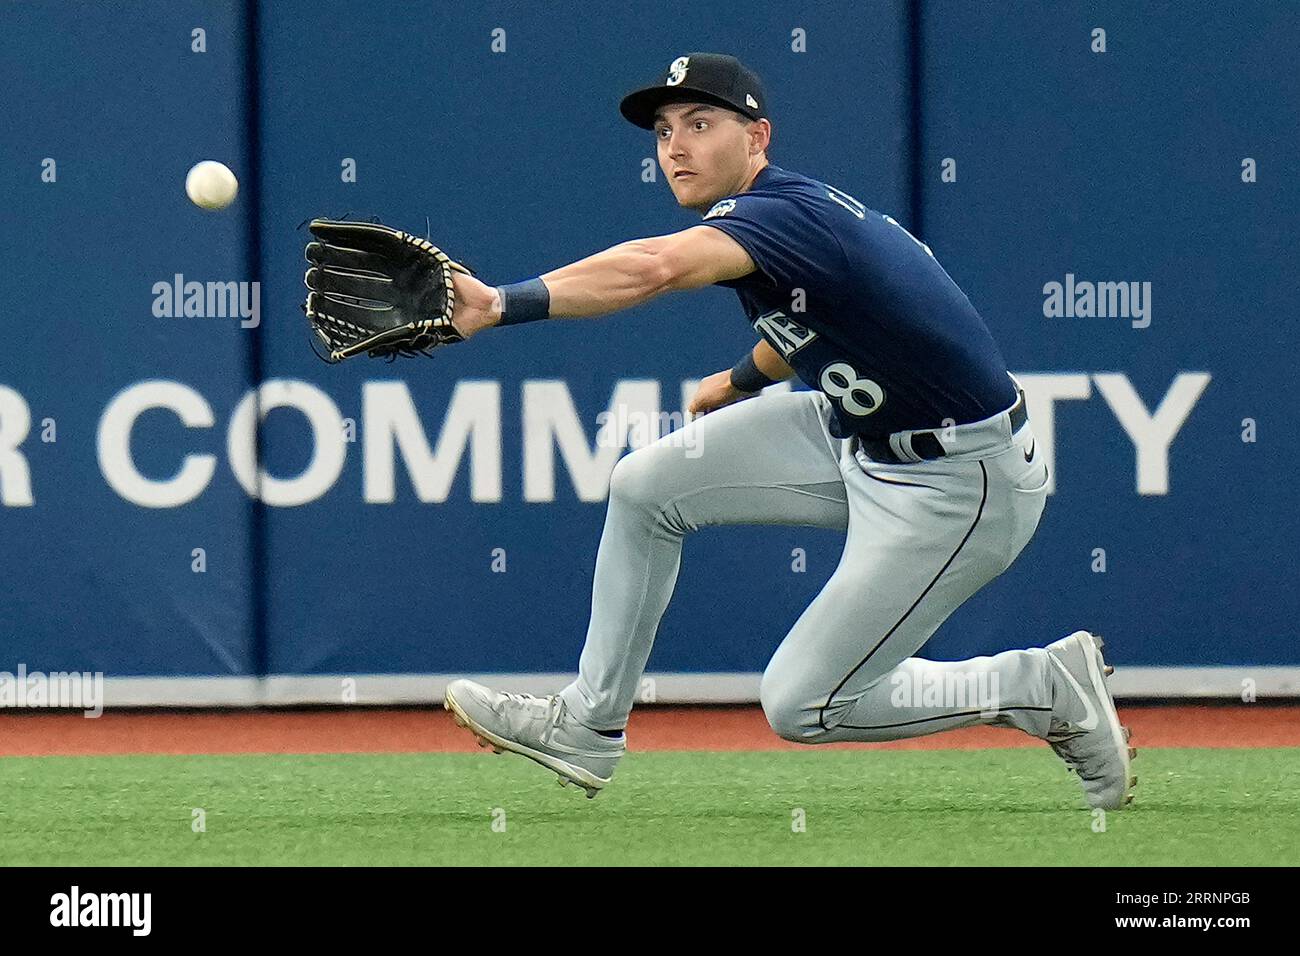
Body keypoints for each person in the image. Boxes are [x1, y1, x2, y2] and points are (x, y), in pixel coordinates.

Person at [441, 53, 1135, 809]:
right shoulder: (787, 217)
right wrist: (744, 379)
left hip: (960, 482)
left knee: (803, 703)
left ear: (758, 137)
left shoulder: (781, 214)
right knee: (647, 488)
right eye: (665, 130)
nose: (676, 146)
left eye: (702, 124)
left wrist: (499, 304)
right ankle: (586, 725)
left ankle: (1040, 686)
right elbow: (828, 313)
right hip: (856, 437)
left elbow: (653, 268)